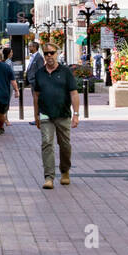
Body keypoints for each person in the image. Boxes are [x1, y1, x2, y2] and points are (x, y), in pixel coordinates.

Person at [30, 46, 78, 187]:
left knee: (65, 145)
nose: (49, 56)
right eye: (46, 54)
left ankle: (64, 171)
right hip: (45, 114)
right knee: (47, 144)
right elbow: (36, 95)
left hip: (63, 114)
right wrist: (36, 115)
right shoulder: (40, 74)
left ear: (57, 54)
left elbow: (74, 93)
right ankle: (49, 177)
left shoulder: (66, 72)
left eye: (52, 53)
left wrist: (76, 114)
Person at [24, 45, 46, 125]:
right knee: (36, 101)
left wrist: (36, 81)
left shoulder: (39, 57)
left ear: (35, 47)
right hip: (33, 82)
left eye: (30, 46)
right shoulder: (33, 56)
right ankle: (38, 118)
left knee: (38, 101)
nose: (29, 48)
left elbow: (40, 70)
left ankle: (40, 118)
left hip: (36, 82)